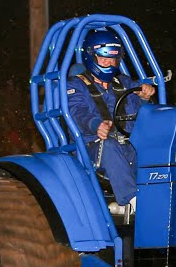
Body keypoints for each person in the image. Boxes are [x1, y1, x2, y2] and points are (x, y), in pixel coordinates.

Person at [66, 28, 156, 208]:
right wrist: (95, 125)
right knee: (109, 145)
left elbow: (143, 116)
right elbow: (78, 112)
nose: (108, 63)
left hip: (127, 145)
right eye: (103, 57)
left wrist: (146, 97)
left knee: (152, 147)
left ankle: (158, 193)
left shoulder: (125, 83)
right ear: (91, 57)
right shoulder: (75, 85)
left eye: (112, 58)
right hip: (92, 148)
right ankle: (134, 201)